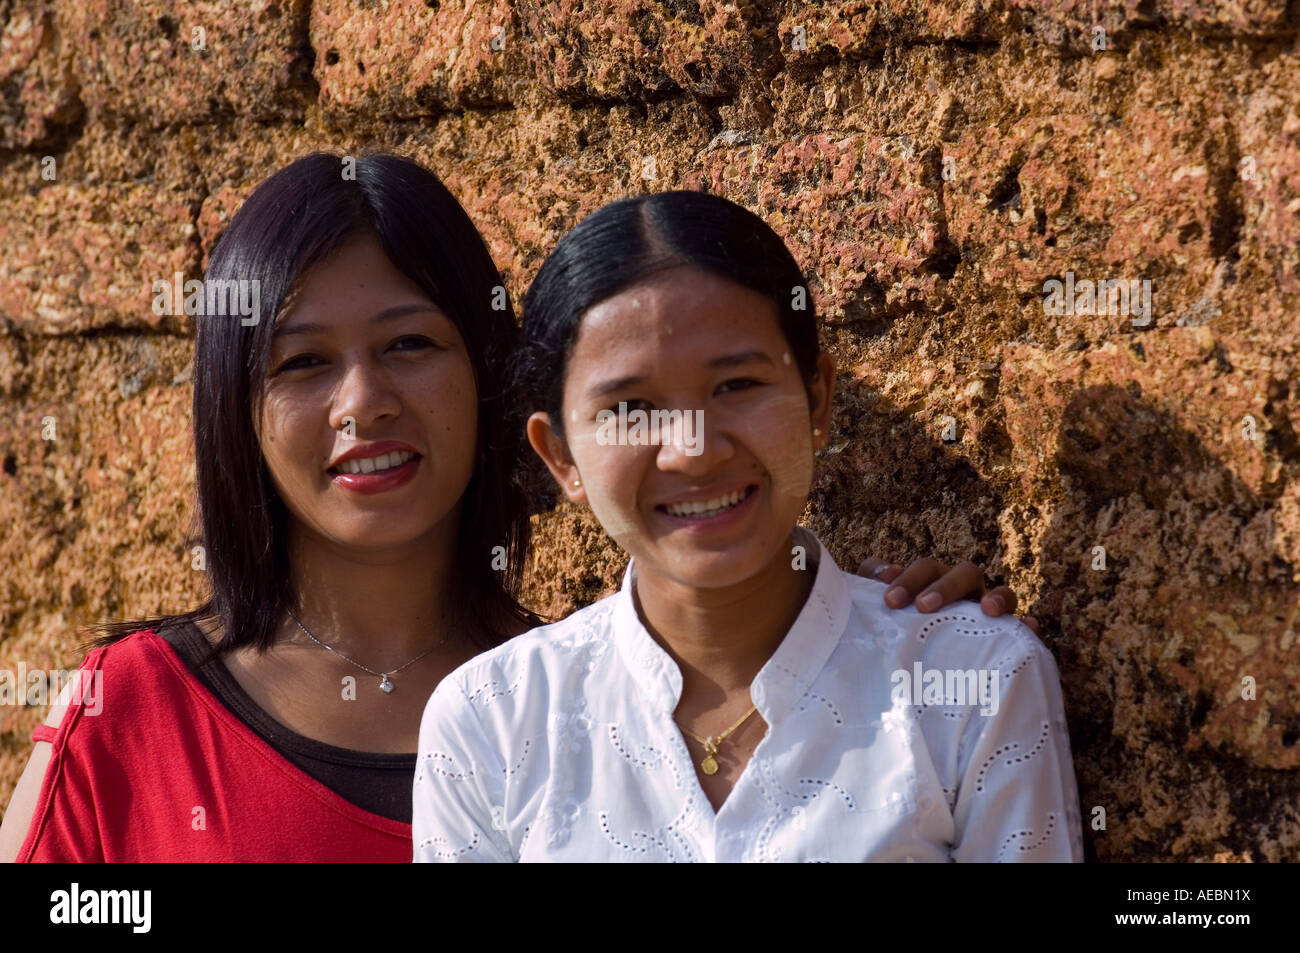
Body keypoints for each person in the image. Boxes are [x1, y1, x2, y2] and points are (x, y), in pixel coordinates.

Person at [1, 154, 1037, 863]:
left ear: (497, 387)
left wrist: (896, 640)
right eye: (303, 362)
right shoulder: (126, 715)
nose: (364, 403)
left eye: (411, 344)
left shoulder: (545, 708)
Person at [412, 190, 1083, 862]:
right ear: (561, 456)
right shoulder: (490, 722)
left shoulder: (972, 680)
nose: (694, 450)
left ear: (817, 398)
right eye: (631, 408)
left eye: (735, 386)